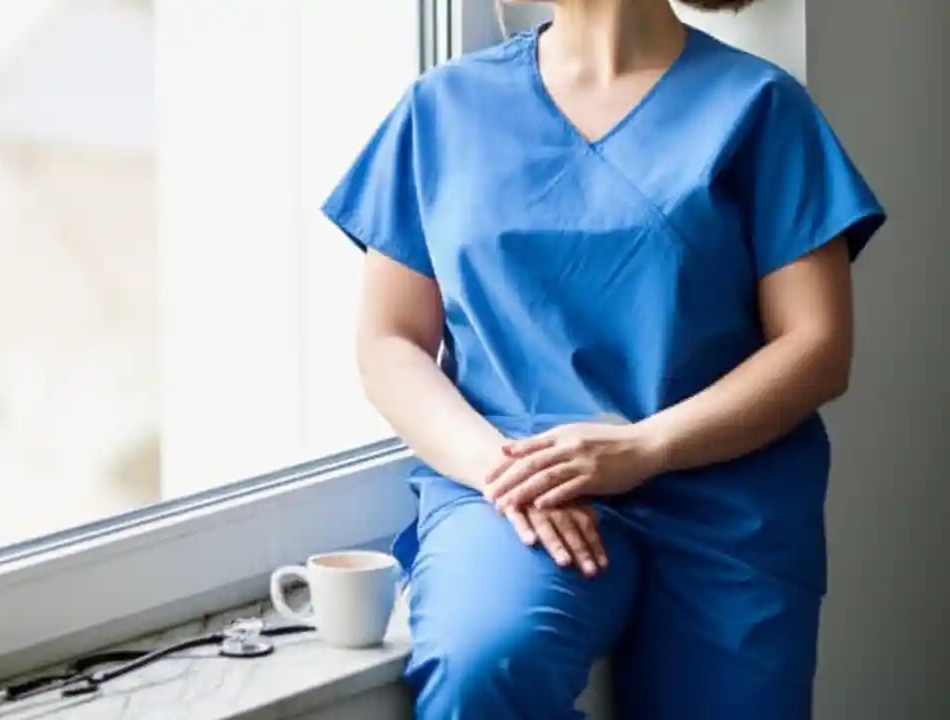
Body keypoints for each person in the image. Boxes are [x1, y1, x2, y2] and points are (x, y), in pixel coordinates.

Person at [319, 0, 886, 718]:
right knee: (484, 669)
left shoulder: (761, 108)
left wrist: (645, 448)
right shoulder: (443, 109)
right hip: (516, 484)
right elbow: (389, 342)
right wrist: (504, 471)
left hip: (725, 493)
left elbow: (817, 349)